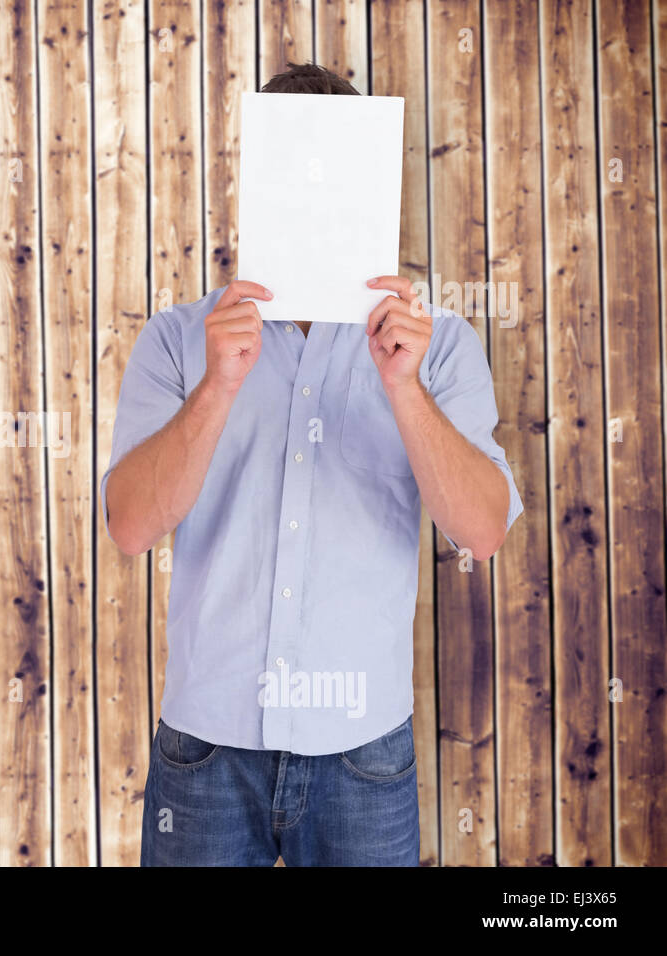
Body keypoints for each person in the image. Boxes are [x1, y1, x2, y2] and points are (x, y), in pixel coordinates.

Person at [102, 63, 522, 866]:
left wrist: (404, 390)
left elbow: (483, 531)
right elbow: (129, 527)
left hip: (363, 754)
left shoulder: (438, 347)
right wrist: (218, 387)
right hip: (205, 751)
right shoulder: (176, 340)